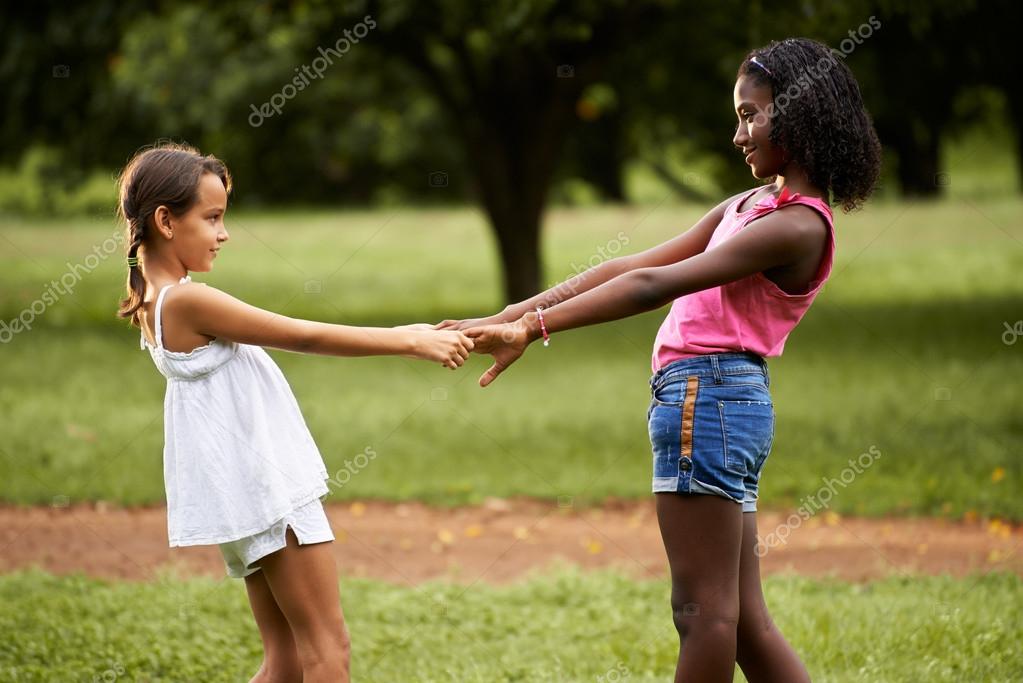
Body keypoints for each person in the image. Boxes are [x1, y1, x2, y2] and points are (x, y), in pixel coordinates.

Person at [439, 38, 881, 682]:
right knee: (742, 621)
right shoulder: (747, 206)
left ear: (800, 114)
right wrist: (509, 317)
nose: (739, 134)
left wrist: (535, 329)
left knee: (703, 614)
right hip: (718, 405)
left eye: (751, 114)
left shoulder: (799, 226)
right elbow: (630, 265)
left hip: (710, 401)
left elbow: (653, 287)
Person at [117, 142, 474, 683]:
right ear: (166, 221)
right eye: (212, 218)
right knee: (328, 652)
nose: (224, 233)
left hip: (242, 492)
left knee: (283, 664)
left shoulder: (156, 298)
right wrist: (406, 340)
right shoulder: (188, 302)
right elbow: (304, 335)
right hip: (268, 490)